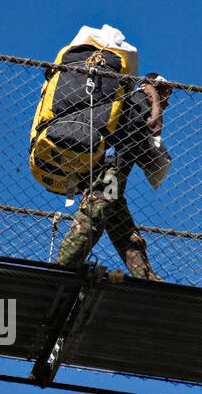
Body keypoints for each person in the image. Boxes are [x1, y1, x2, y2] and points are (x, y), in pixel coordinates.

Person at [54, 68, 172, 276]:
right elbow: (155, 126)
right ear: (153, 86)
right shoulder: (140, 98)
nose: (167, 102)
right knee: (93, 218)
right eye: (166, 94)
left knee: (124, 232)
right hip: (110, 172)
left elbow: (139, 143)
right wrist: (153, 97)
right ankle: (61, 270)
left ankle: (146, 278)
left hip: (113, 175)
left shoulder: (130, 102)